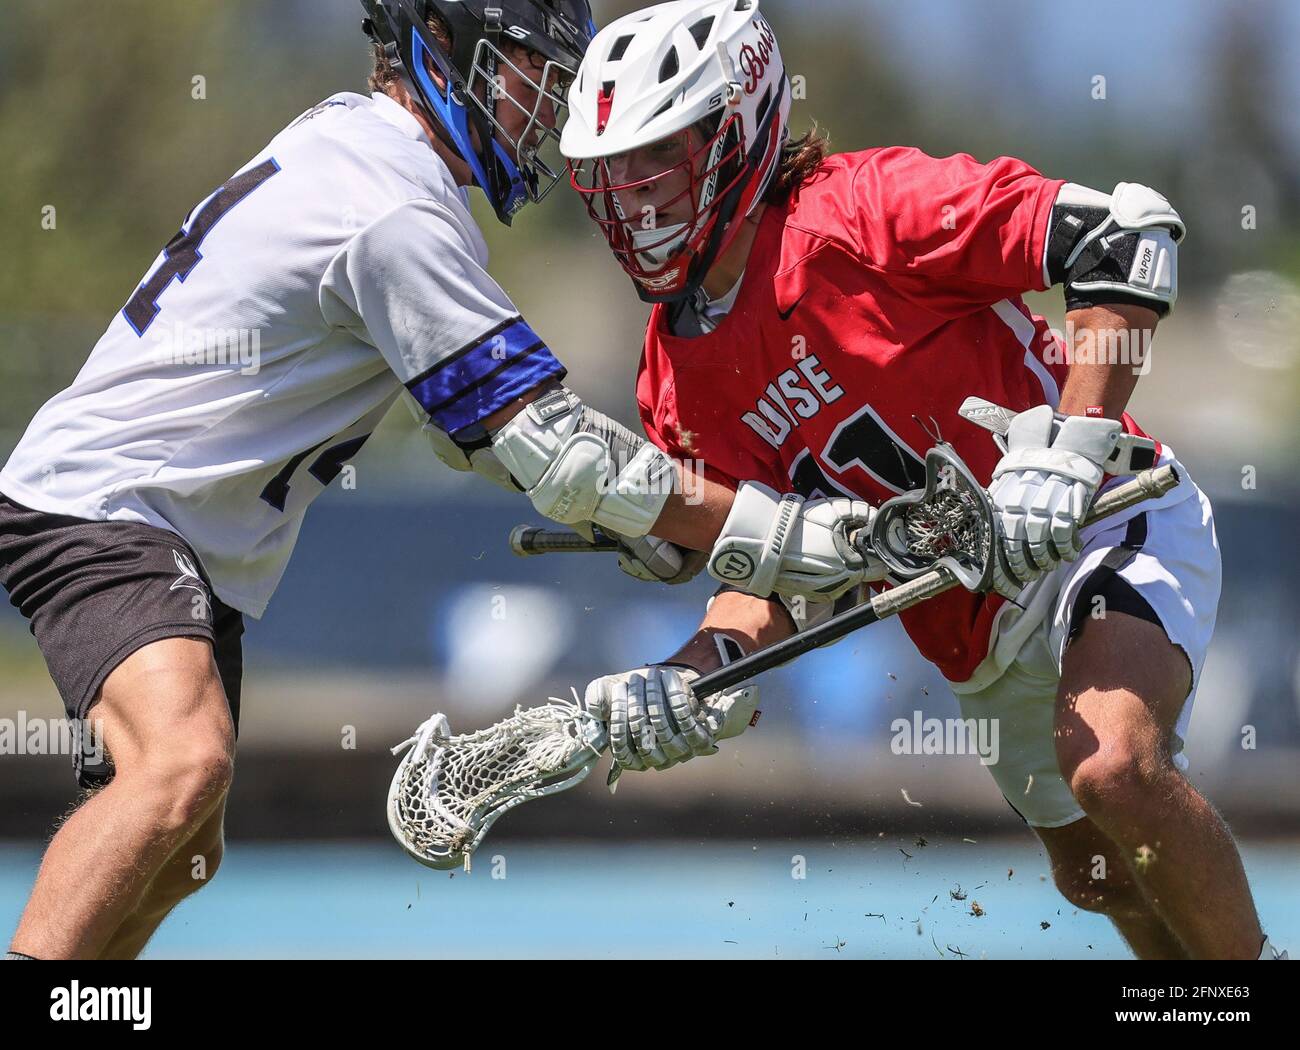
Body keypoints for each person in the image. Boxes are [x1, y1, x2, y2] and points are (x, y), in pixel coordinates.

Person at [0, 0, 867, 961]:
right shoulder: (394, 205)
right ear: (443, 48)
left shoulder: (356, 147)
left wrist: (653, 524)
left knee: (185, 849)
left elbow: (483, 437)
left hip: (175, 534)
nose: (546, 112)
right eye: (531, 71)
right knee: (179, 766)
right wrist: (787, 535)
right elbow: (557, 452)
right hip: (111, 505)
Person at [562, 0, 1283, 960]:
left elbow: (1125, 241)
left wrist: (1069, 452)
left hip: (1100, 526)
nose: (638, 207)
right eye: (615, 181)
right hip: (971, 627)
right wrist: (697, 673)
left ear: (736, 133)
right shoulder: (671, 373)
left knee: (1111, 769)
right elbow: (766, 568)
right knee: (1094, 872)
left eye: (659, 169)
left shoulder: (868, 210)